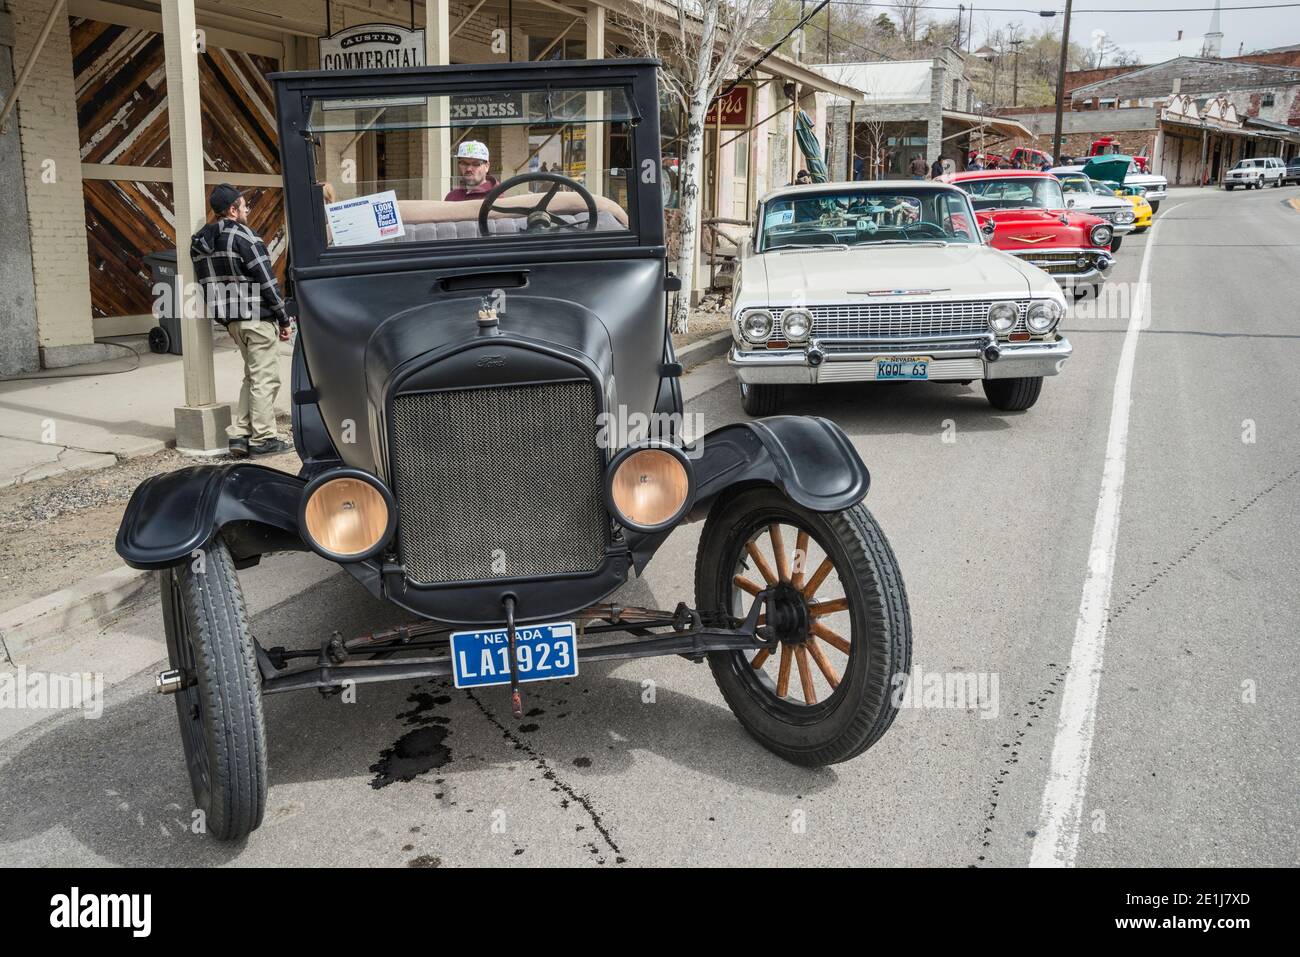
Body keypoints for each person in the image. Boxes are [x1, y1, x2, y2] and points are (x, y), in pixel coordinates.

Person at [191, 183, 292, 457]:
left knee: (252, 378)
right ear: (233, 209)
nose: (247, 208)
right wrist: (283, 318)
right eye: (243, 205)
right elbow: (267, 281)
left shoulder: (199, 243)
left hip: (232, 321)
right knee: (266, 379)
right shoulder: (246, 237)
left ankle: (239, 435)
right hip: (257, 318)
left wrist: (224, 319)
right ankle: (264, 438)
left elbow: (205, 284)